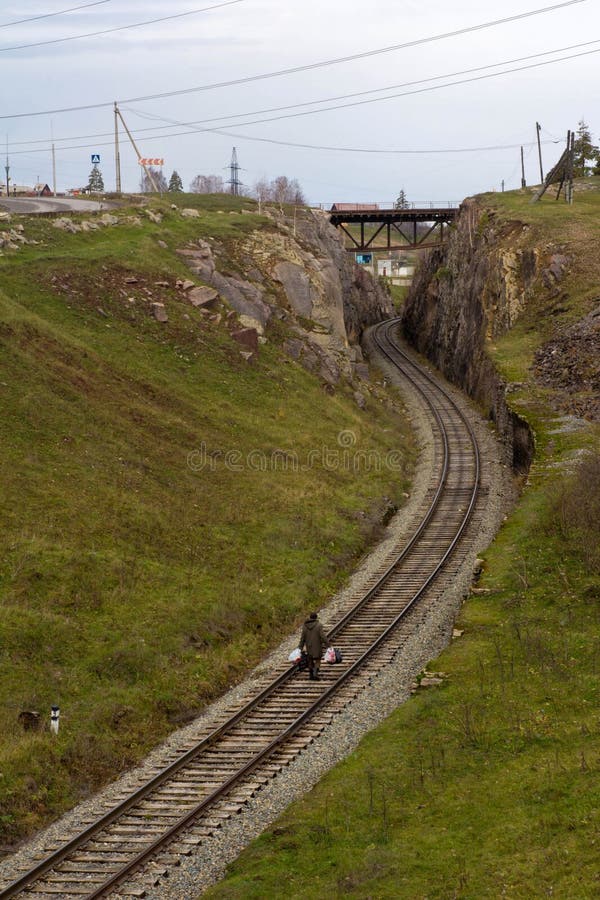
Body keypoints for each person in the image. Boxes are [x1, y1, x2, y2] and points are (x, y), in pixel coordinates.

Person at [298, 612, 328, 680]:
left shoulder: (305, 626)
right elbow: (323, 636)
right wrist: (328, 645)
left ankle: (311, 675)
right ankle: (315, 674)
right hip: (317, 646)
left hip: (309, 646)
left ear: (310, 617)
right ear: (316, 617)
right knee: (317, 660)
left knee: (310, 660)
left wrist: (300, 647)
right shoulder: (319, 625)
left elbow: (302, 638)